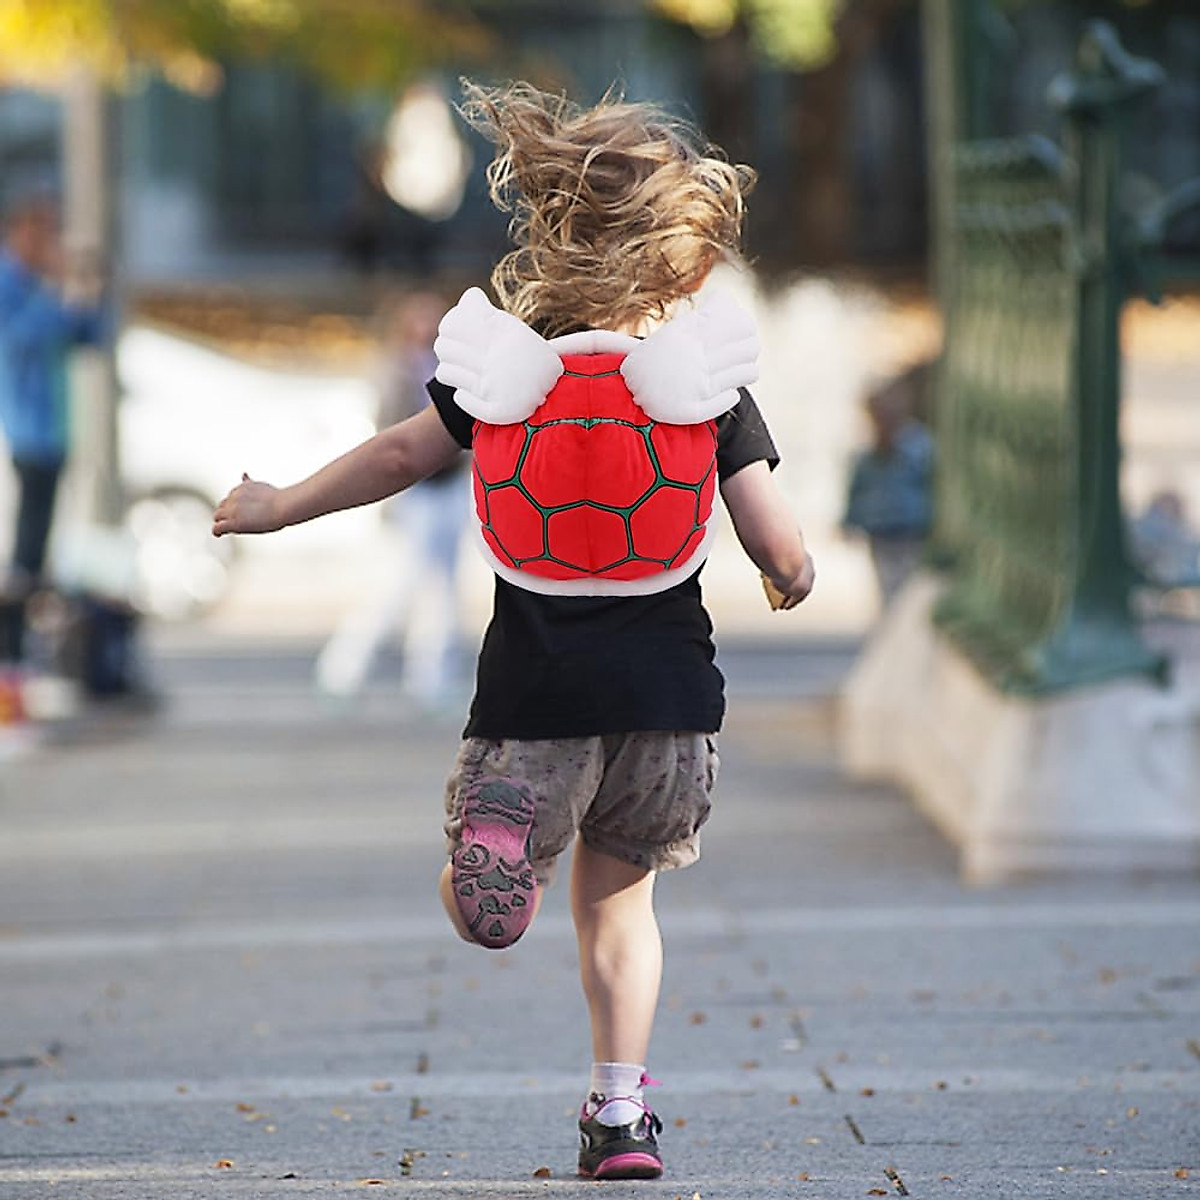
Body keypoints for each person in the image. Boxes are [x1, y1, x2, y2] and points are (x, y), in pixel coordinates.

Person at [213, 80, 814, 1182]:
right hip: (668, 703)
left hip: (535, 692)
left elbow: (397, 459)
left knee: (486, 891)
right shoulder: (702, 388)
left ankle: (486, 854)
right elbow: (775, 539)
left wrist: (276, 504)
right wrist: (795, 575)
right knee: (620, 915)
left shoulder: (506, 375)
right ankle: (621, 1116)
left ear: (550, 226)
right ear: (682, 247)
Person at [314, 290, 469, 709]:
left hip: (451, 485)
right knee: (399, 584)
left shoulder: (452, 366)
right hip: (416, 490)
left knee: (445, 589)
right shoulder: (395, 368)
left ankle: (432, 680)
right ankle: (344, 669)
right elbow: (391, 433)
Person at [0, 188, 104, 664]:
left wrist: (88, 289)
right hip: (23, 430)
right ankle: (10, 648)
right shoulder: (9, 283)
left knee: (39, 547)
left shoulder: (40, 286)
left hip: (54, 430)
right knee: (25, 546)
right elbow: (25, 338)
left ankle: (22, 649)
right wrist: (53, 288)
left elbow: (89, 335)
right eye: (41, 232)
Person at [842, 362, 934, 606]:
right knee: (887, 583)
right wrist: (849, 521)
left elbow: (930, 479)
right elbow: (857, 487)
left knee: (908, 582)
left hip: (911, 527)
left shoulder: (917, 444)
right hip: (881, 529)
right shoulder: (867, 452)